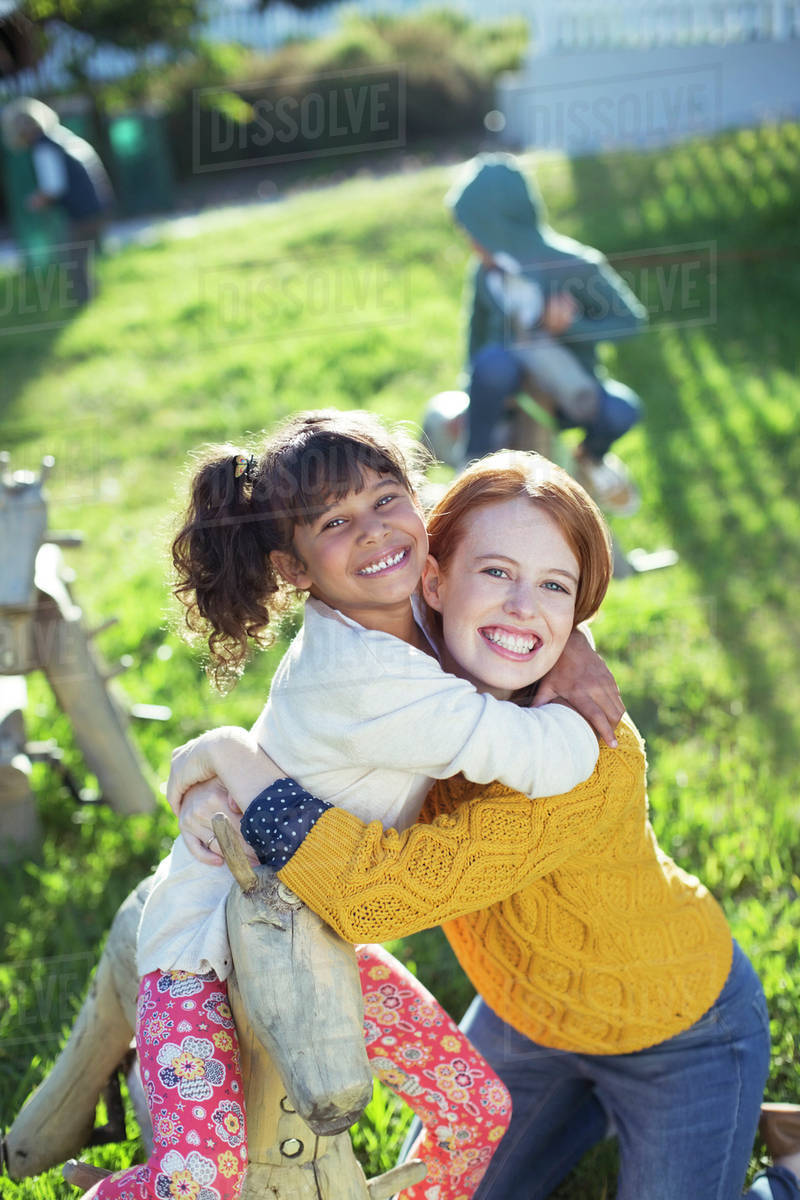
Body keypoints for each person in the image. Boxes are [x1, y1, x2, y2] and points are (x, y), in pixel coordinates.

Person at [172, 450, 800, 1200]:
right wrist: (233, 785)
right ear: (432, 578)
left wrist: (229, 754)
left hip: (676, 1028)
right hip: (524, 1012)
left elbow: (376, 900)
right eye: (495, 572)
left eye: (554, 588)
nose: (522, 609)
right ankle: (587, 1111)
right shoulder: (411, 685)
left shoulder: (583, 760)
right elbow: (332, 692)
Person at [88, 410, 619, 1200]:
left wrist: (565, 632)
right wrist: (582, 703)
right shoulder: (360, 677)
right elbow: (545, 760)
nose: (372, 532)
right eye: (334, 522)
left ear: (419, 501)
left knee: (473, 1112)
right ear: (294, 569)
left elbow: (497, 609)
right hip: (202, 950)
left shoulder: (410, 618)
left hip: (323, 938)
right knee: (202, 1180)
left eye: (384, 498)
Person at [448, 153, 647, 512]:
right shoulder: (482, 272)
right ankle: (472, 464)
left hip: (570, 389)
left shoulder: (573, 264)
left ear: (501, 227)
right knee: (492, 361)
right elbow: (475, 336)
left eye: (478, 234)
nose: (472, 245)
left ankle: (590, 457)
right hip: (508, 391)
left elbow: (630, 321)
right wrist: (469, 395)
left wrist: (573, 327)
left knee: (622, 410)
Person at [0, 97, 113, 304]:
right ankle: (93, 296)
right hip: (98, 204)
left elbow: (53, 187)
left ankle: (84, 302)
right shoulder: (61, 136)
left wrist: (36, 201)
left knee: (74, 260)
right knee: (83, 257)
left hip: (83, 211)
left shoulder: (44, 147)